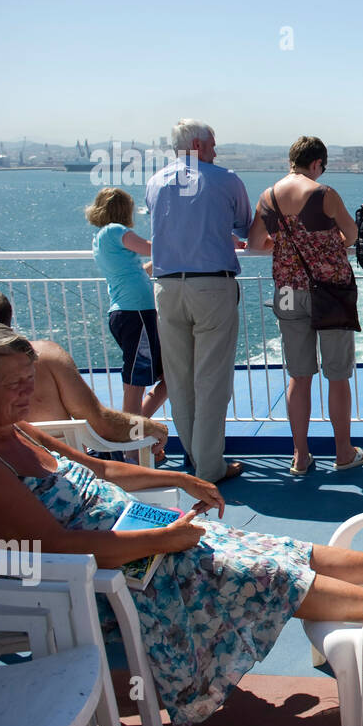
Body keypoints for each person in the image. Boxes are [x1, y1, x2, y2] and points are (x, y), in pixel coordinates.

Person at [0, 324, 363, 726]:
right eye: (13, 383)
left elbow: (100, 468)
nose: (26, 393)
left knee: (276, 547)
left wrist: (180, 481)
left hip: (137, 536)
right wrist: (166, 539)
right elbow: (61, 547)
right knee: (263, 573)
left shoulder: (17, 431)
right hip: (106, 577)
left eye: (27, 379)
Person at [247, 136, 363, 475]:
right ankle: (343, 452)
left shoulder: (267, 197)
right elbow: (352, 234)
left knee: (299, 376)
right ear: (317, 163)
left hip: (287, 291)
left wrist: (287, 244)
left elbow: (256, 244)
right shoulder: (323, 194)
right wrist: (326, 247)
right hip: (329, 292)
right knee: (337, 375)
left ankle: (300, 456)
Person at [0, 285, 168, 459]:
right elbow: (101, 424)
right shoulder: (48, 356)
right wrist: (150, 428)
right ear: (7, 321)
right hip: (61, 472)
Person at [146, 119, 250, 485]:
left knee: (179, 379)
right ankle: (209, 467)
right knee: (212, 380)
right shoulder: (225, 179)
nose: (215, 151)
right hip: (211, 287)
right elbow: (244, 226)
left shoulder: (155, 181)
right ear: (196, 144)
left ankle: (193, 458)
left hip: (167, 288)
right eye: (212, 144)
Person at [85, 188, 168, 436]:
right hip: (136, 315)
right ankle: (127, 444)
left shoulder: (101, 237)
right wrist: (183, 238)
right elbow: (150, 247)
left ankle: (131, 429)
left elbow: (136, 270)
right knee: (135, 382)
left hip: (133, 314)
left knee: (170, 377)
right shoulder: (114, 231)